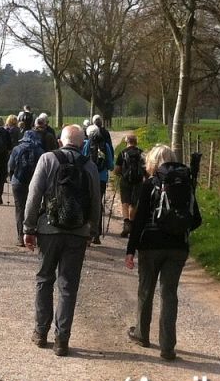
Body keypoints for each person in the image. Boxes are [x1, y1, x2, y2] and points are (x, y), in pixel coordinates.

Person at [23, 125, 101, 357]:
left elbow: (33, 194)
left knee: (44, 279)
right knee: (68, 286)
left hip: (48, 229)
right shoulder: (90, 166)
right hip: (77, 232)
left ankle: (40, 332)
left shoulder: (47, 159)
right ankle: (62, 339)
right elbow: (96, 201)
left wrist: (28, 227)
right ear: (82, 143)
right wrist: (92, 231)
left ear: (60, 141)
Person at [125, 144, 202, 361]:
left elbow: (138, 221)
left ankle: (142, 334)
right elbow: (196, 219)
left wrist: (131, 250)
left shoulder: (150, 184)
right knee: (169, 295)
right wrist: (178, 228)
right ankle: (167, 347)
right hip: (177, 248)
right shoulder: (185, 185)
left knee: (146, 291)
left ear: (152, 162)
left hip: (150, 245)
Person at [8, 129, 44, 247]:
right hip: (35, 183)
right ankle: (33, 235)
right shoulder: (40, 151)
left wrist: (11, 176)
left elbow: (11, 166)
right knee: (35, 207)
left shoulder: (17, 149)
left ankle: (20, 237)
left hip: (18, 182)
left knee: (20, 209)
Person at [81, 124, 114, 245]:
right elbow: (110, 165)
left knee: (88, 202)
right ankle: (96, 234)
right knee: (98, 203)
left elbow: (83, 159)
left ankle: (87, 233)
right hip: (102, 178)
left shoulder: (87, 144)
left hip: (88, 177)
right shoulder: (105, 145)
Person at [113, 134, 146, 238]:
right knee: (134, 203)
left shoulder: (122, 153)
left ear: (126, 142)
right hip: (138, 181)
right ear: (136, 142)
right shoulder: (141, 153)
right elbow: (145, 169)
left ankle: (126, 223)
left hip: (125, 181)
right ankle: (131, 223)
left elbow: (117, 170)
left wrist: (119, 174)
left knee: (125, 202)